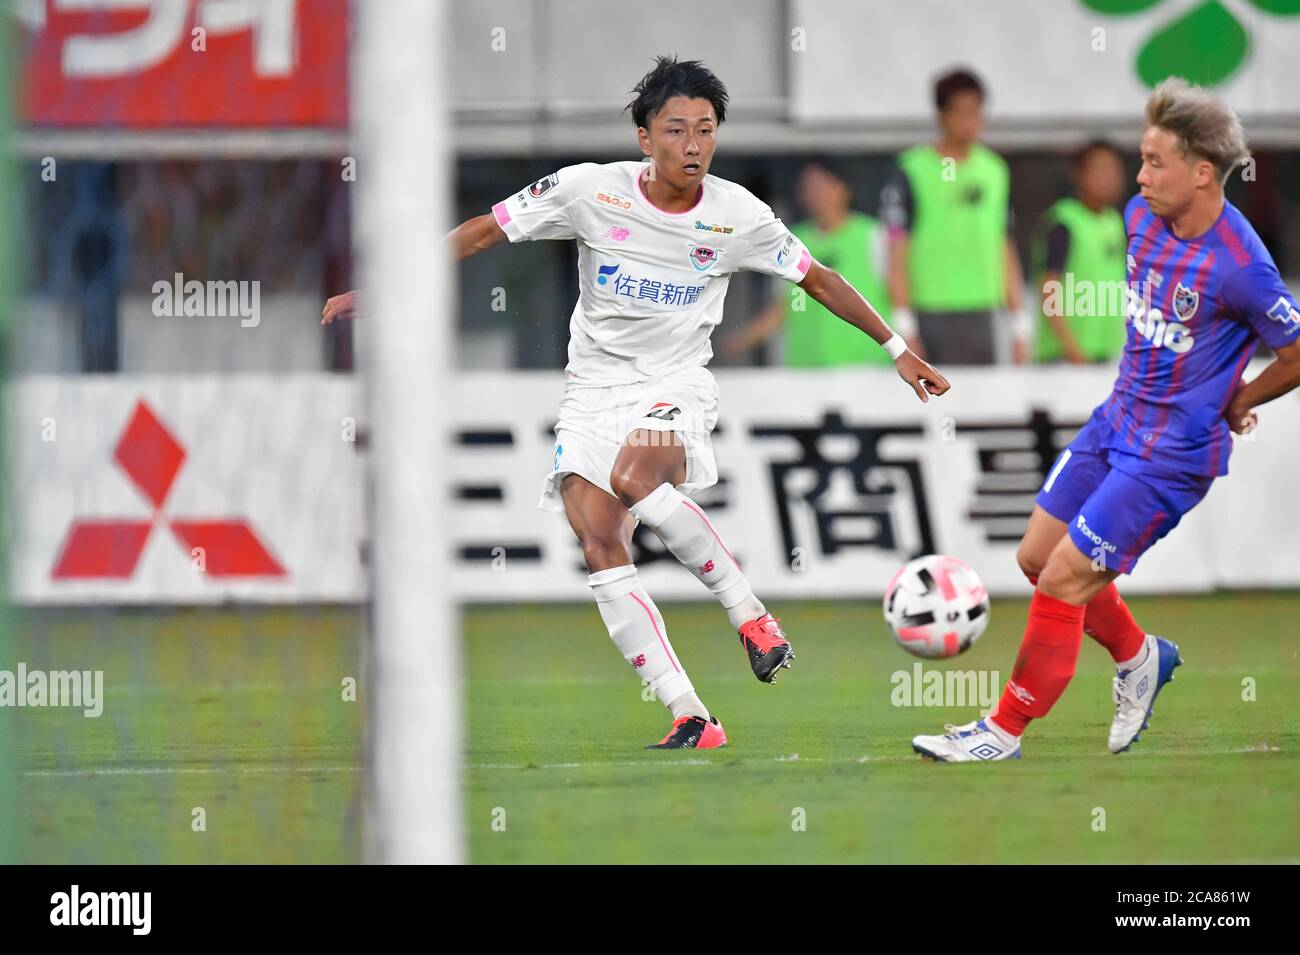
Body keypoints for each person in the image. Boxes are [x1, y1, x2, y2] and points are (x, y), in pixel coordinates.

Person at [323, 56, 950, 750]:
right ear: (644, 136)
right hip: (592, 389)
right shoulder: (589, 190)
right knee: (598, 539)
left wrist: (898, 348)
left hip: (676, 381)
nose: (693, 145)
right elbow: (481, 231)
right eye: (676, 129)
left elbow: (820, 278)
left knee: (636, 478)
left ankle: (752, 616)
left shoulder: (738, 214)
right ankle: (691, 714)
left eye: (706, 131)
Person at [912, 77, 1300, 762]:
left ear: (1204, 173)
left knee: (1064, 577)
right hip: (1115, 421)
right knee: (1036, 557)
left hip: (1171, 455)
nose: (1139, 176)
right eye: (1141, 158)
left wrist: (1240, 398)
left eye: (1156, 163)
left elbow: (1295, 352)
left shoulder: (1243, 267)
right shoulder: (1140, 217)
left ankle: (1002, 731)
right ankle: (1139, 655)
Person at [881, 67, 1030, 365]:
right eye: (959, 111)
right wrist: (905, 327)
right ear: (941, 115)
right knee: (931, 403)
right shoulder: (912, 169)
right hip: (930, 310)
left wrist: (1019, 325)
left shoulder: (994, 170)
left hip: (981, 309)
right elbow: (896, 249)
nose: (968, 121)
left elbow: (1004, 246)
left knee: (980, 406)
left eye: (975, 111)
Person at [722, 157, 892, 367]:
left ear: (843, 189)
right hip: (806, 370)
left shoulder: (874, 237)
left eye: (821, 186)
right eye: (808, 188)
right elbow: (784, 307)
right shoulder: (791, 241)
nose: (815, 194)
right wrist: (742, 339)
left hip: (865, 367)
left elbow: (900, 296)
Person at [1033, 141, 1129, 364]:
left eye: (1114, 170)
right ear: (1078, 174)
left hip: (1103, 354)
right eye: (1100, 169)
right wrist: (1071, 349)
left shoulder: (1114, 222)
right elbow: (1049, 288)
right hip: (1064, 358)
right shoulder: (1064, 222)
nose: (1109, 178)